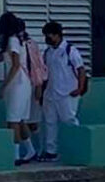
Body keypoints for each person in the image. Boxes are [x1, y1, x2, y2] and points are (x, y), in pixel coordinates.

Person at [37, 21, 88, 163]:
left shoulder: (70, 51)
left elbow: (81, 70)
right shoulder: (48, 52)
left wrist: (79, 88)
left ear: (57, 35)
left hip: (67, 93)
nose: (47, 38)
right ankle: (51, 151)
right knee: (50, 122)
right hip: (50, 93)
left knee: (69, 120)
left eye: (50, 35)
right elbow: (46, 74)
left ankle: (77, 149)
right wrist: (42, 92)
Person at [0, 12, 38, 165]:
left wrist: (3, 86)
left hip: (17, 83)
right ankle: (30, 150)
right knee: (20, 120)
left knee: (12, 120)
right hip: (23, 83)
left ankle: (15, 155)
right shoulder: (20, 40)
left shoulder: (13, 40)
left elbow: (15, 65)